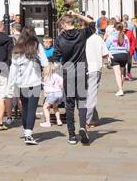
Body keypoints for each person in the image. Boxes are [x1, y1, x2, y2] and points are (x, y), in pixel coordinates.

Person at [54, 11, 97, 145]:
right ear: (73, 22)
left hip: (69, 72)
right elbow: (92, 23)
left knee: (70, 104)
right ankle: (83, 126)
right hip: (81, 70)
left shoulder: (60, 39)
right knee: (82, 102)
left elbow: (55, 58)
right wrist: (78, 14)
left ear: (63, 24)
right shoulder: (81, 34)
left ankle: (72, 135)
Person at [8, 27, 44, 145]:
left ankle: (26, 131)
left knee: (25, 108)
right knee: (32, 109)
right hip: (35, 82)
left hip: (21, 83)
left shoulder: (17, 48)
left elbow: (13, 69)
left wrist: (10, 85)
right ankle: (28, 134)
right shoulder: (37, 46)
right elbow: (45, 62)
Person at [84, 21, 106, 128]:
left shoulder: (82, 39)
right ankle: (92, 119)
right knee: (91, 94)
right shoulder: (98, 38)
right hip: (95, 68)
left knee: (87, 95)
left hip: (83, 68)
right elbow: (105, 54)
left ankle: (88, 120)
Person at [106, 20, 130, 97]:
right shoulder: (125, 36)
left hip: (115, 55)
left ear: (114, 28)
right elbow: (128, 48)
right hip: (124, 55)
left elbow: (106, 46)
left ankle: (120, 90)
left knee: (117, 74)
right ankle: (120, 88)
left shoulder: (111, 36)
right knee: (122, 73)